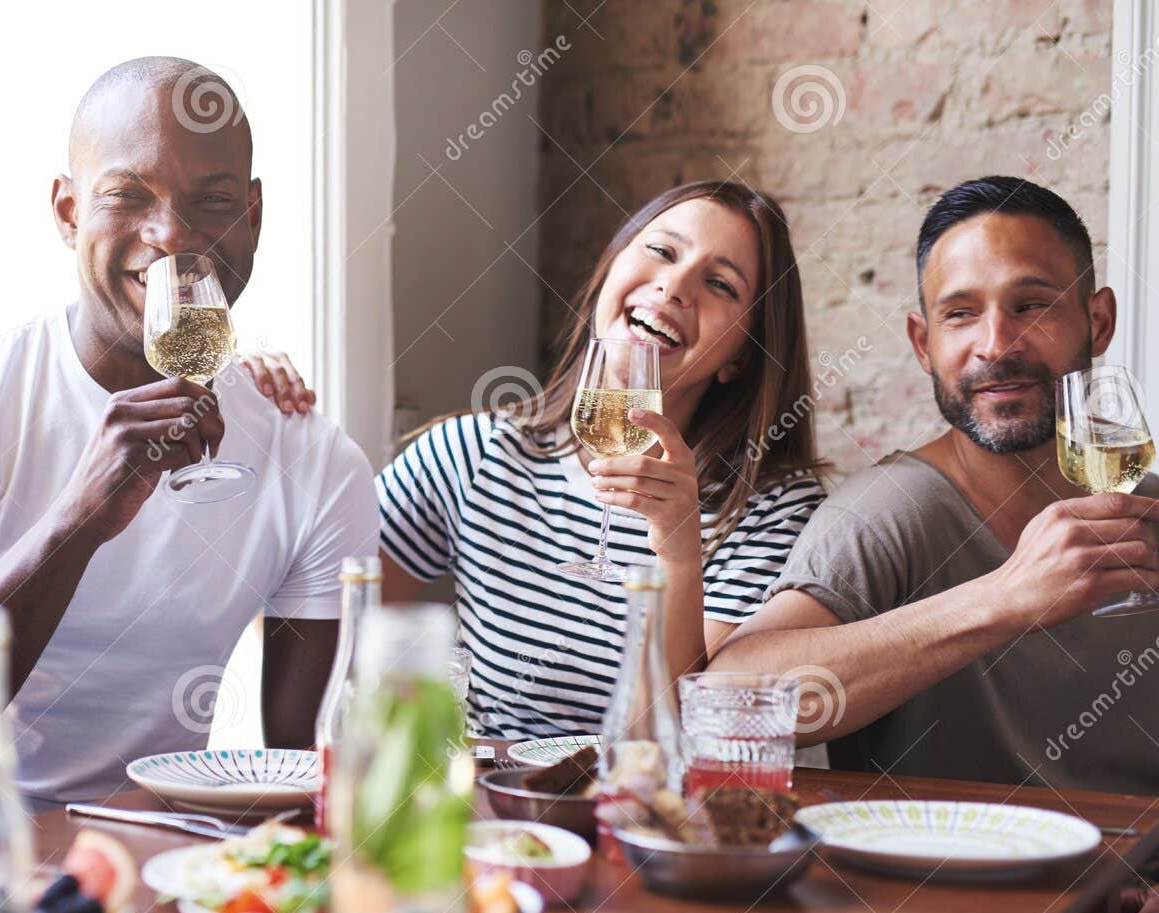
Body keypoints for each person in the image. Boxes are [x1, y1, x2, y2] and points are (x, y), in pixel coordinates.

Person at [0, 57, 376, 805]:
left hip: (163, 854)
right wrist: (77, 522)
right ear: (68, 213)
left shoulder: (314, 459)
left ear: (253, 219)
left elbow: (309, 777)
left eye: (214, 199)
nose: (170, 234)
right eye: (127, 195)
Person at [709, 176, 1159, 913]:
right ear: (924, 345)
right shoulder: (885, 513)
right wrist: (1006, 598)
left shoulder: (1145, 508)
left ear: (1098, 320)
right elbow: (732, 702)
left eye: (1031, 305)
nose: (995, 345)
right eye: (960, 314)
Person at [273, 181, 826, 739]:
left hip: (643, 815)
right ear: (612, 271)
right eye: (661, 251)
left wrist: (681, 556)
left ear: (740, 359)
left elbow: (679, 737)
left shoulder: (776, 511)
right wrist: (262, 435)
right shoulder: (476, 454)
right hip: (492, 808)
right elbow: (319, 612)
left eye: (719, 284)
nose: (675, 285)